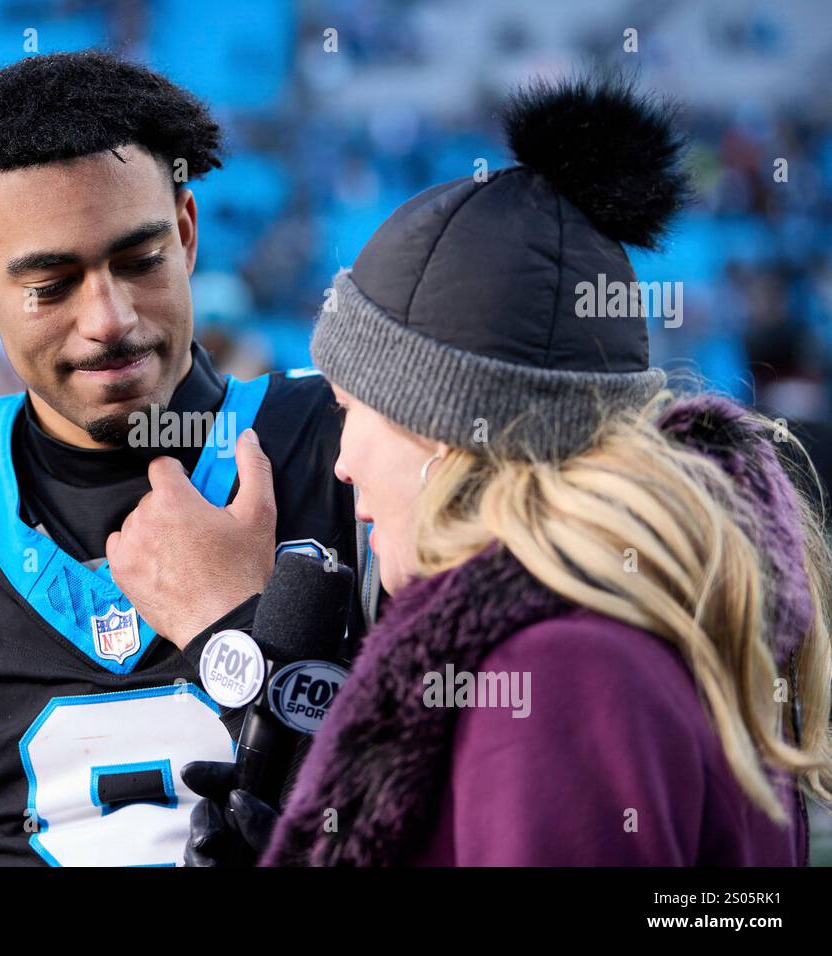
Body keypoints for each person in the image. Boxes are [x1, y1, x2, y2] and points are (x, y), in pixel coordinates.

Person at [183, 74, 831, 866]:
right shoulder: (635, 622)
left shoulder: (560, 674)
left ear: (450, 430)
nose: (344, 463)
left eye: (353, 411)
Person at [0, 52, 372, 866]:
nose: (111, 317)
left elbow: (451, 818)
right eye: (53, 283)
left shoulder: (357, 440)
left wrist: (235, 633)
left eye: (140, 261)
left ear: (188, 232)